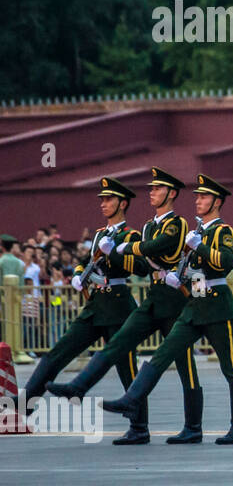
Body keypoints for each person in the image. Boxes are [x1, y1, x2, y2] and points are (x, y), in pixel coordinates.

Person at [48, 169, 200, 442]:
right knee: (117, 343)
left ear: (172, 193)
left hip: (175, 302)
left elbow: (157, 246)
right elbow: (145, 260)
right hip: (154, 297)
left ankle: (193, 427)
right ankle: (79, 386)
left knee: (185, 365)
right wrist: (133, 250)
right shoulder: (148, 225)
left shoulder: (177, 224)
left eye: (157, 189)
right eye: (151, 188)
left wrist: (124, 249)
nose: (151, 192)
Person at [103, 174, 233, 444]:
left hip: (217, 305)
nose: (198, 200)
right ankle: (133, 400)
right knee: (163, 353)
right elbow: (193, 268)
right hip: (194, 304)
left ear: (217, 202)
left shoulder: (221, 231)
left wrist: (200, 246)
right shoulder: (197, 232)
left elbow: (225, 263)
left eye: (204, 197)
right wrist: (177, 277)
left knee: (231, 368)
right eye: (197, 196)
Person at [7, 178, 147, 444]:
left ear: (123, 203)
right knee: (57, 353)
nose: (103, 204)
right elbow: (85, 262)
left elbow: (140, 268)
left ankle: (140, 427)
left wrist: (114, 252)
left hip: (118, 306)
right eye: (102, 200)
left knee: (127, 368)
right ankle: (27, 401)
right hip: (95, 306)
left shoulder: (131, 236)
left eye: (108, 200)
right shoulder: (98, 234)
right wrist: (78, 274)